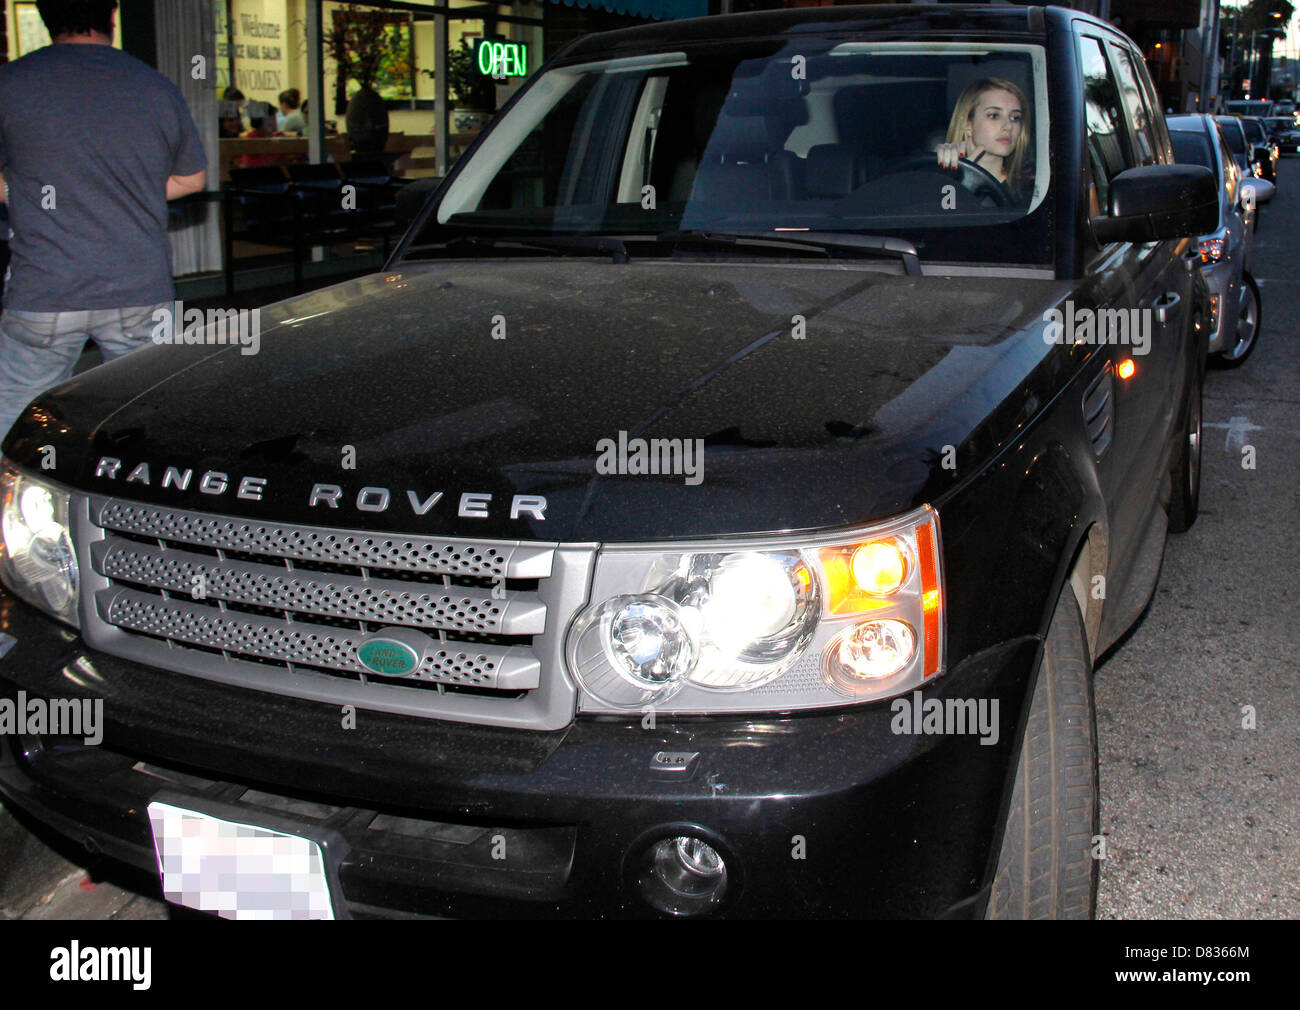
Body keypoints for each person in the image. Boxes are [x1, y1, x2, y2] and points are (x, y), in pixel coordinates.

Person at [0, 0, 206, 437]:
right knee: (146, 413)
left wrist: (24, 195)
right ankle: (138, 502)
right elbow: (191, 180)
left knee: (16, 413)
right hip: (139, 287)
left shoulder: (11, 82)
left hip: (46, 287)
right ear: (111, 18)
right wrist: (124, 193)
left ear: (47, 19)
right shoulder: (154, 85)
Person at [935, 77, 1032, 201]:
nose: (1008, 126)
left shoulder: (1033, 188)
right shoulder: (943, 182)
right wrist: (940, 170)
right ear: (968, 125)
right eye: (994, 115)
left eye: (1015, 118)